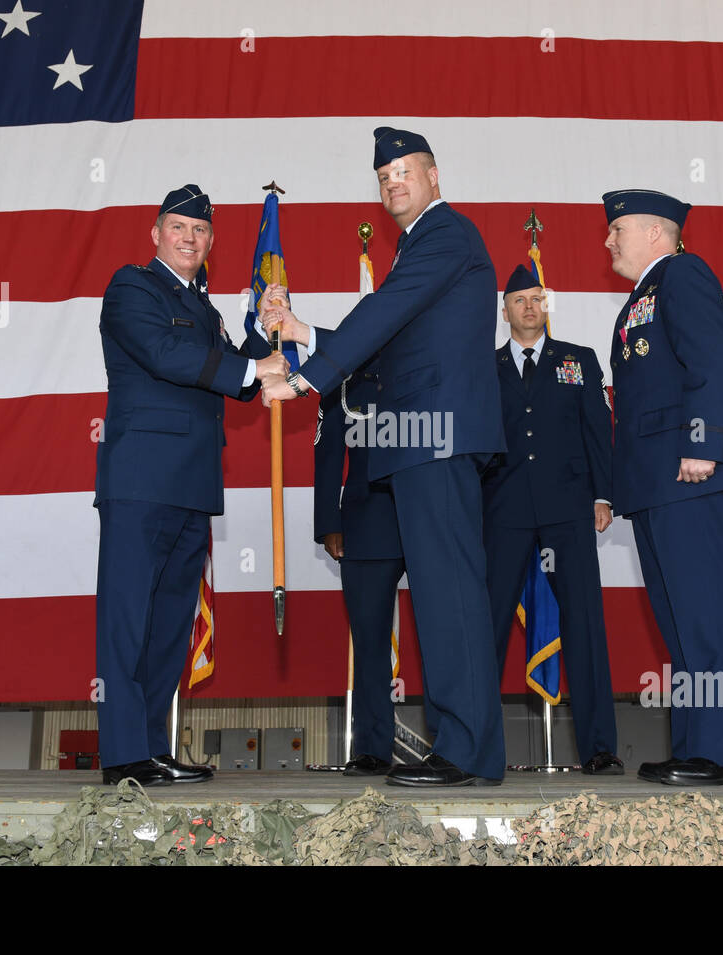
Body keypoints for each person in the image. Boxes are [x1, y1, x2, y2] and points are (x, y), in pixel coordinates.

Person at [260, 127, 507, 786]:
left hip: (438, 435)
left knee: (450, 593)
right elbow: (391, 333)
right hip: (418, 440)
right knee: (441, 594)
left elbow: (387, 312)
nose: (393, 181)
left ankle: (465, 748)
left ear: (434, 177)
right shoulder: (416, 248)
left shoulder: (447, 234)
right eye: (383, 175)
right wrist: (302, 331)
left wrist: (307, 377)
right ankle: (466, 747)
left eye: (405, 170)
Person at [94, 185, 289, 786]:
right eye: (178, 227)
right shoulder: (132, 287)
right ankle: (124, 755)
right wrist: (250, 368)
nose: (188, 238)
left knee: (171, 623)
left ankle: (150, 747)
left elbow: (235, 373)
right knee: (128, 618)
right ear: (156, 233)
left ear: (210, 243)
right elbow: (164, 353)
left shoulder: (205, 309)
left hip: (193, 485)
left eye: (200, 231)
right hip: (141, 479)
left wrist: (267, 328)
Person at [601, 188, 723, 785]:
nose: (608, 240)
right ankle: (697, 747)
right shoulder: (639, 298)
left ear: (655, 234)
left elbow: (715, 359)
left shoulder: (684, 275)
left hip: (689, 474)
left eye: (619, 230)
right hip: (654, 484)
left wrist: (702, 444)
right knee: (681, 625)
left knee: (708, 618)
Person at [481, 264, 623, 774]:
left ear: (546, 306)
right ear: (505, 312)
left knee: (584, 624)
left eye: (535, 299)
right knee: (488, 628)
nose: (527, 307)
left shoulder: (577, 361)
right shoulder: (485, 364)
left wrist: (603, 496)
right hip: (503, 512)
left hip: (567, 509)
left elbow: (596, 431)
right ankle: (479, 747)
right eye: (518, 300)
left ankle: (600, 748)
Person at [313, 354, 408, 776]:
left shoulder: (421, 370)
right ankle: (372, 747)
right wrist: (329, 524)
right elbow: (329, 453)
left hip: (425, 518)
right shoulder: (344, 384)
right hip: (366, 522)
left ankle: (453, 745)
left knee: (445, 639)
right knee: (370, 645)